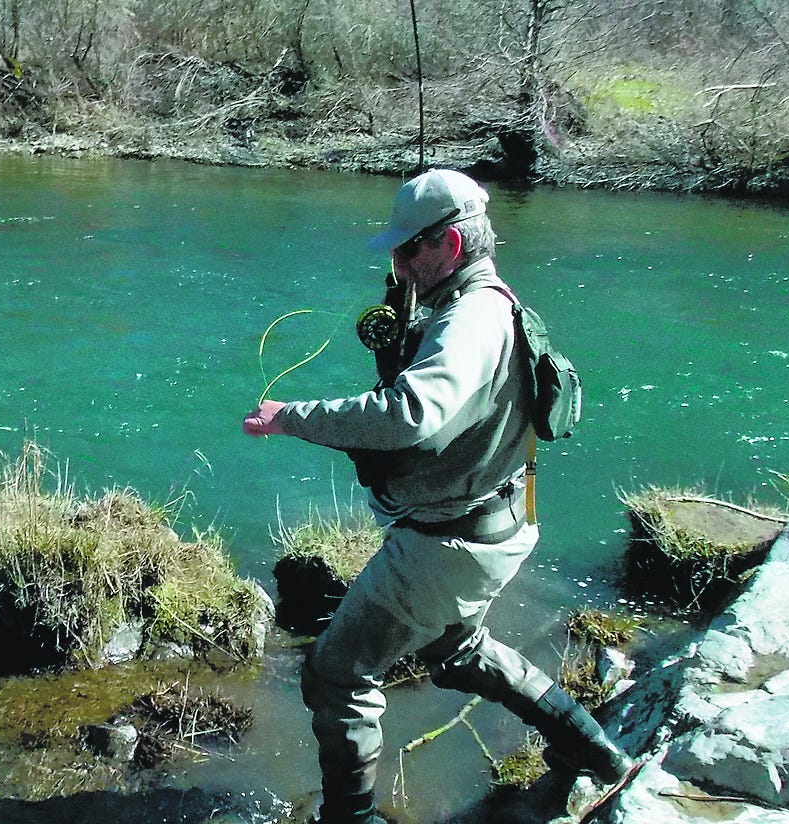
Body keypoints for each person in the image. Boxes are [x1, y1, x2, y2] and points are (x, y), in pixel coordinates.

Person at [242, 169, 632, 824]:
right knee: (457, 652)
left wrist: (291, 417)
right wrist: (402, 324)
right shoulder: (485, 301)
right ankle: (597, 754)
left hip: (450, 542)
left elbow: (412, 416)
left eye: (407, 249)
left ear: (448, 245)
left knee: (337, 674)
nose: (397, 262)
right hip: (499, 521)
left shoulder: (471, 320)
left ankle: (352, 818)